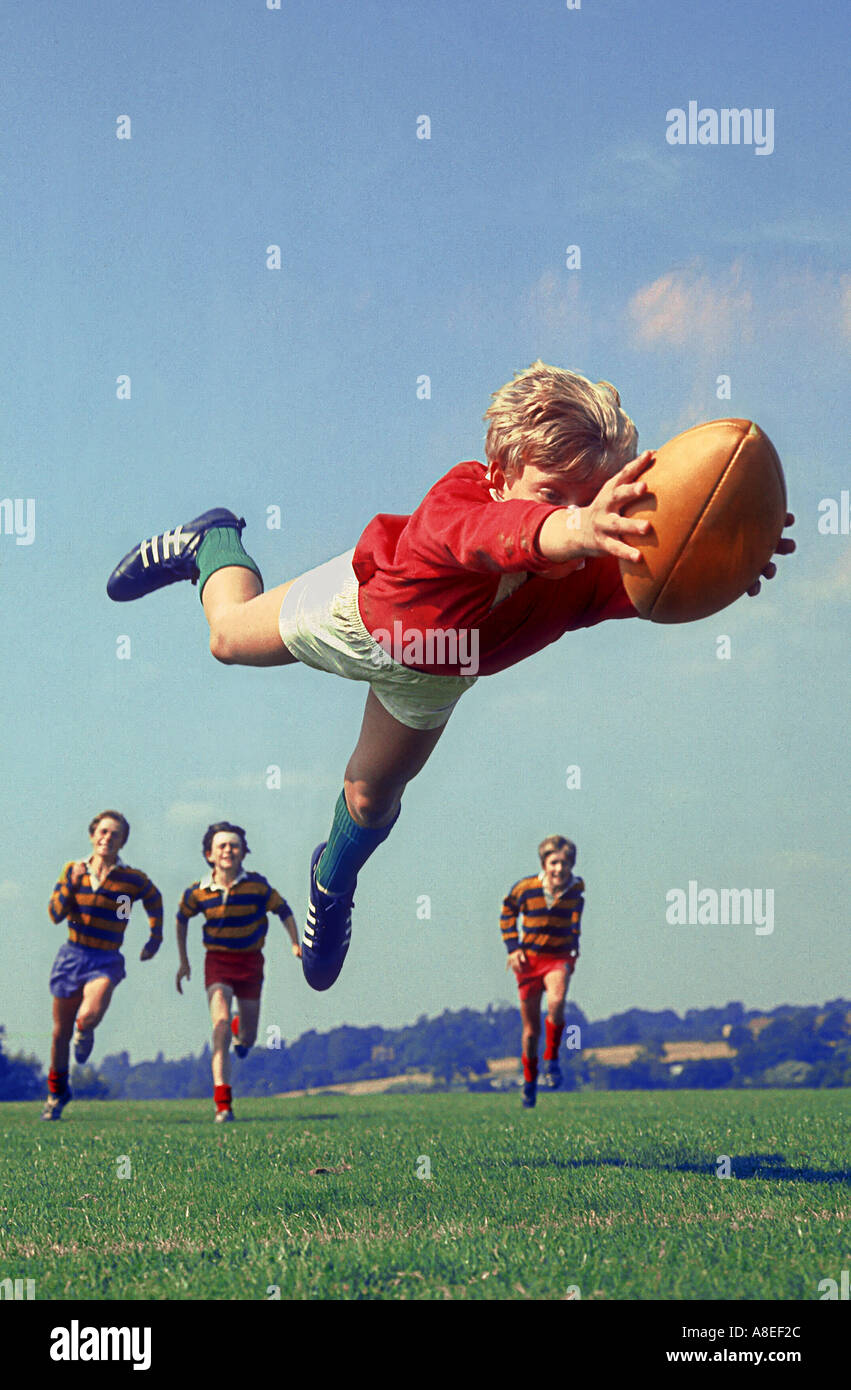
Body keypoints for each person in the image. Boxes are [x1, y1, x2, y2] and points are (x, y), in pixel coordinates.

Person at [106, 362, 794, 994]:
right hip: (360, 617)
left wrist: (726, 553)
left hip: (433, 676)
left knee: (371, 798)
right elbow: (505, 533)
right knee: (227, 637)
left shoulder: (584, 562)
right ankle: (213, 538)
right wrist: (572, 522)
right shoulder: (461, 503)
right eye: (556, 493)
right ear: (501, 468)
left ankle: (329, 884)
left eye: (592, 497)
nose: (578, 511)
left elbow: (655, 584)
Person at [175, 822, 301, 1123]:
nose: (228, 850)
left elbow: (283, 910)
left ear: (244, 852)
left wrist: (295, 943)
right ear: (209, 854)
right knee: (218, 1027)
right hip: (217, 962)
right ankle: (223, 1104)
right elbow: (182, 919)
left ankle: (240, 1036)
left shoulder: (257, 886)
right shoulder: (198, 892)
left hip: (250, 963)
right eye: (222, 846)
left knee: (247, 1037)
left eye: (234, 845)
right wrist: (184, 962)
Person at [43, 810, 163, 1120]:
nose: (107, 838)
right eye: (103, 832)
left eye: (115, 834)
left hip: (106, 958)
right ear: (93, 834)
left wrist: (155, 937)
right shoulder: (73, 870)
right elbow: (54, 915)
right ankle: (57, 1093)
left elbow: (154, 899)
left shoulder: (131, 879)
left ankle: (88, 1029)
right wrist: (69, 887)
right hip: (72, 955)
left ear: (123, 841)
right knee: (60, 1033)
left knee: (88, 1015)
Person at [501, 835, 584, 1109]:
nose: (559, 869)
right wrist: (513, 947)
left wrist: (574, 946)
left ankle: (552, 1060)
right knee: (530, 1030)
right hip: (529, 961)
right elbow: (507, 911)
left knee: (557, 1001)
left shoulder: (576, 889)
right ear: (544, 864)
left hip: (557, 958)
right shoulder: (526, 888)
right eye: (554, 863)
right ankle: (529, 1080)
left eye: (564, 863)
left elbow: (575, 921)